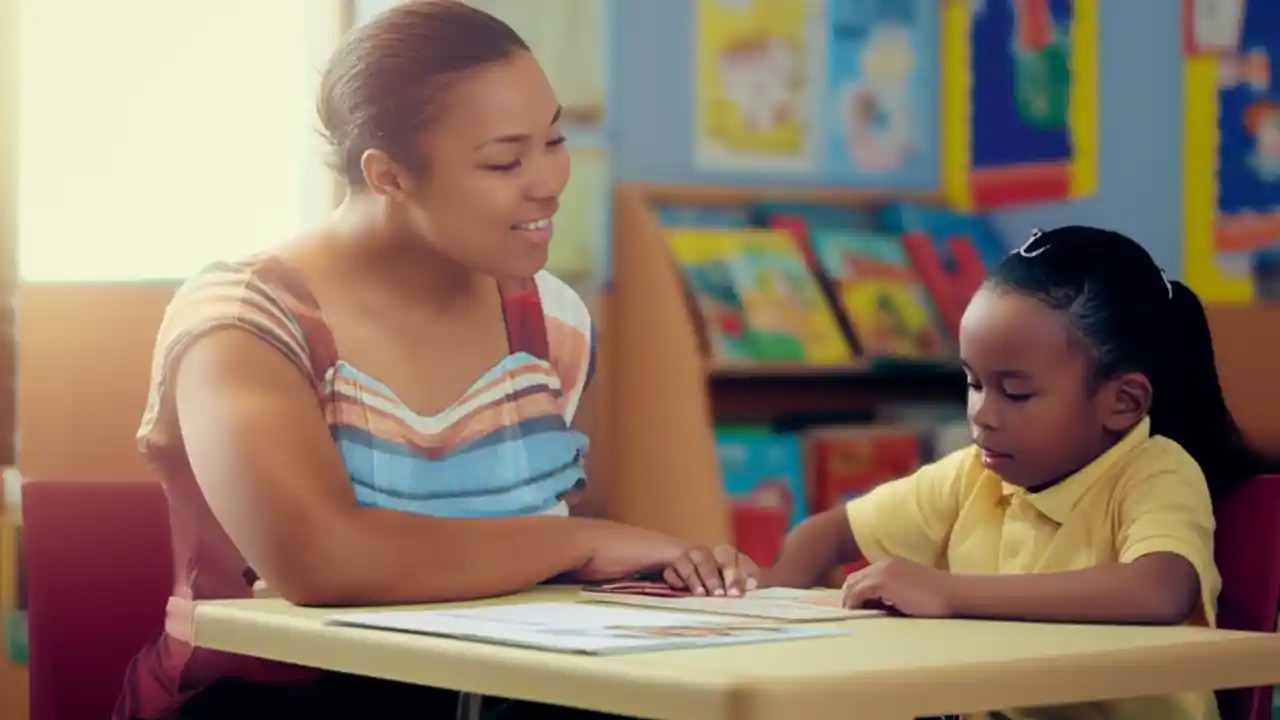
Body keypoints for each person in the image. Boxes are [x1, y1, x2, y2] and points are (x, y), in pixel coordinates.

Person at [114, 3, 742, 718]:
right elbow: (321, 561)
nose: (548, 181)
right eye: (504, 160)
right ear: (388, 177)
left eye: (555, 140)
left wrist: (666, 574)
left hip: (498, 691)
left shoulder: (552, 320)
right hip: (270, 703)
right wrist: (586, 541)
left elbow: (564, 565)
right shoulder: (244, 321)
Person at [672, 226, 1264, 719]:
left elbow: (1159, 589)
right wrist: (761, 606)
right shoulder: (973, 476)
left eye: (1015, 393)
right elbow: (826, 533)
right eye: (974, 383)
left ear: (1122, 403)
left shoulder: (1154, 471)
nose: (982, 413)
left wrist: (950, 592)